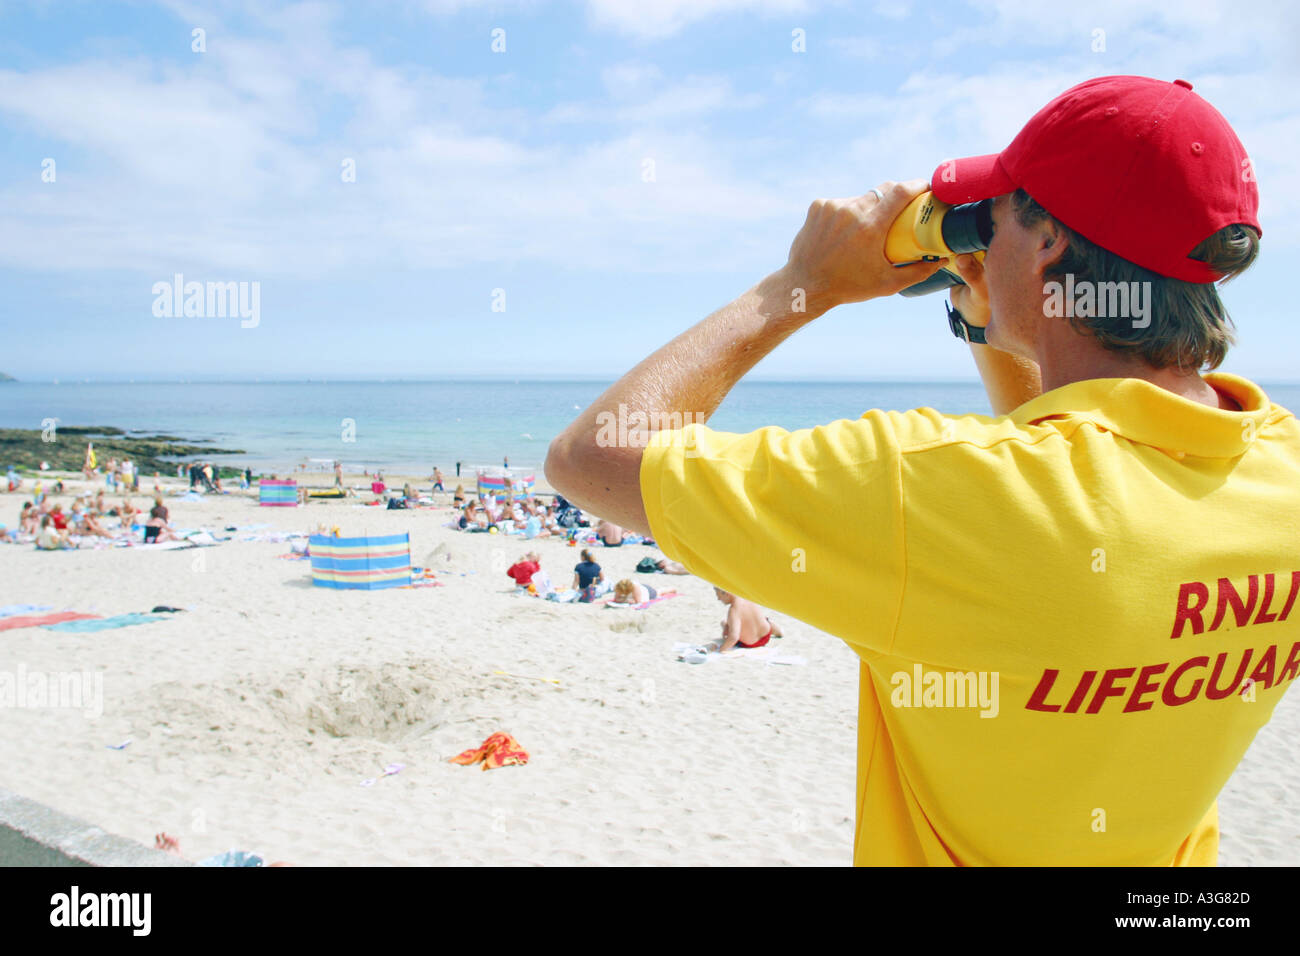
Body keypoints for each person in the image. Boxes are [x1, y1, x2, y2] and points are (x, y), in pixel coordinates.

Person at [545, 77, 1299, 867]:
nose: (979, 242)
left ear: (1049, 245)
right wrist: (996, 323)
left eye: (993, 216)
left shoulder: (924, 486)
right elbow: (1067, 506)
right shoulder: (1280, 473)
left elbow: (592, 456)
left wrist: (802, 284)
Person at [713, 588, 782, 650]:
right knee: (761, 620)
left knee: (724, 623)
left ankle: (726, 625)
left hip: (750, 644)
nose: (718, 599)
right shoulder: (747, 596)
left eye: (718, 596)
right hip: (766, 636)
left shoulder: (734, 610)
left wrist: (721, 649)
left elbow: (734, 637)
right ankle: (776, 629)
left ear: (727, 594)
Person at [609, 579, 676, 605]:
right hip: (640, 588)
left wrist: (623, 600)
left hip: (647, 591)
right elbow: (616, 599)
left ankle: (673, 588)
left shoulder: (635, 588)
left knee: (659, 592)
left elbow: (637, 601)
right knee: (659, 591)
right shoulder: (619, 586)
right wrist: (626, 600)